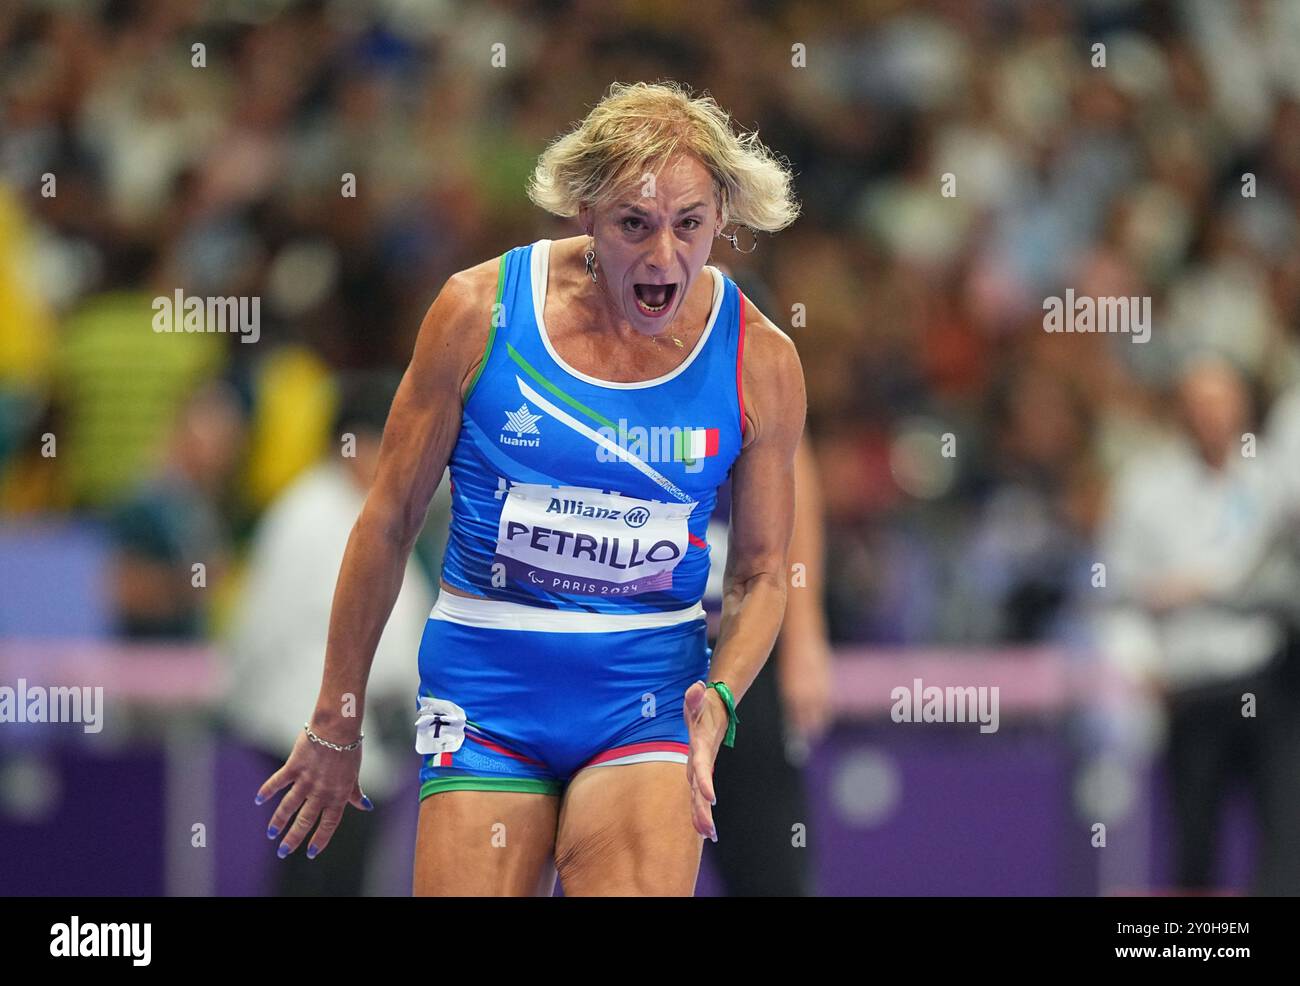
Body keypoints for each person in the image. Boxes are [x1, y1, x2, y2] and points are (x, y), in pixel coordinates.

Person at [255, 80, 806, 896]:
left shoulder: (759, 359)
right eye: (634, 225)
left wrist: (721, 697)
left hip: (645, 697)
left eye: (690, 225)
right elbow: (387, 521)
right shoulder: (478, 313)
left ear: (722, 216)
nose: (664, 259)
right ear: (583, 213)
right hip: (488, 691)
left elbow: (762, 573)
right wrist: (336, 714)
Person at [225, 372, 439, 894]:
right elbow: (265, 635)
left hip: (355, 740)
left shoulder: (368, 513)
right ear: (350, 445)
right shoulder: (312, 516)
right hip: (314, 738)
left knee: (333, 878)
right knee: (320, 879)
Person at [1097, 354, 1298, 893]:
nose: (1211, 415)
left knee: (1284, 839)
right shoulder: (1148, 489)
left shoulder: (1275, 482)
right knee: (1193, 845)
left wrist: (1201, 585)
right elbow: (1120, 593)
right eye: (1198, 402)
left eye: (1222, 400)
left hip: (1269, 680)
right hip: (1190, 688)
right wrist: (1140, 666)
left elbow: (1276, 578)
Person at [704, 432, 833, 896]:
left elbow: (789, 454)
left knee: (771, 869)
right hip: (626, 644)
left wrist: (804, 636)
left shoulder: (743, 359)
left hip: (741, 650)